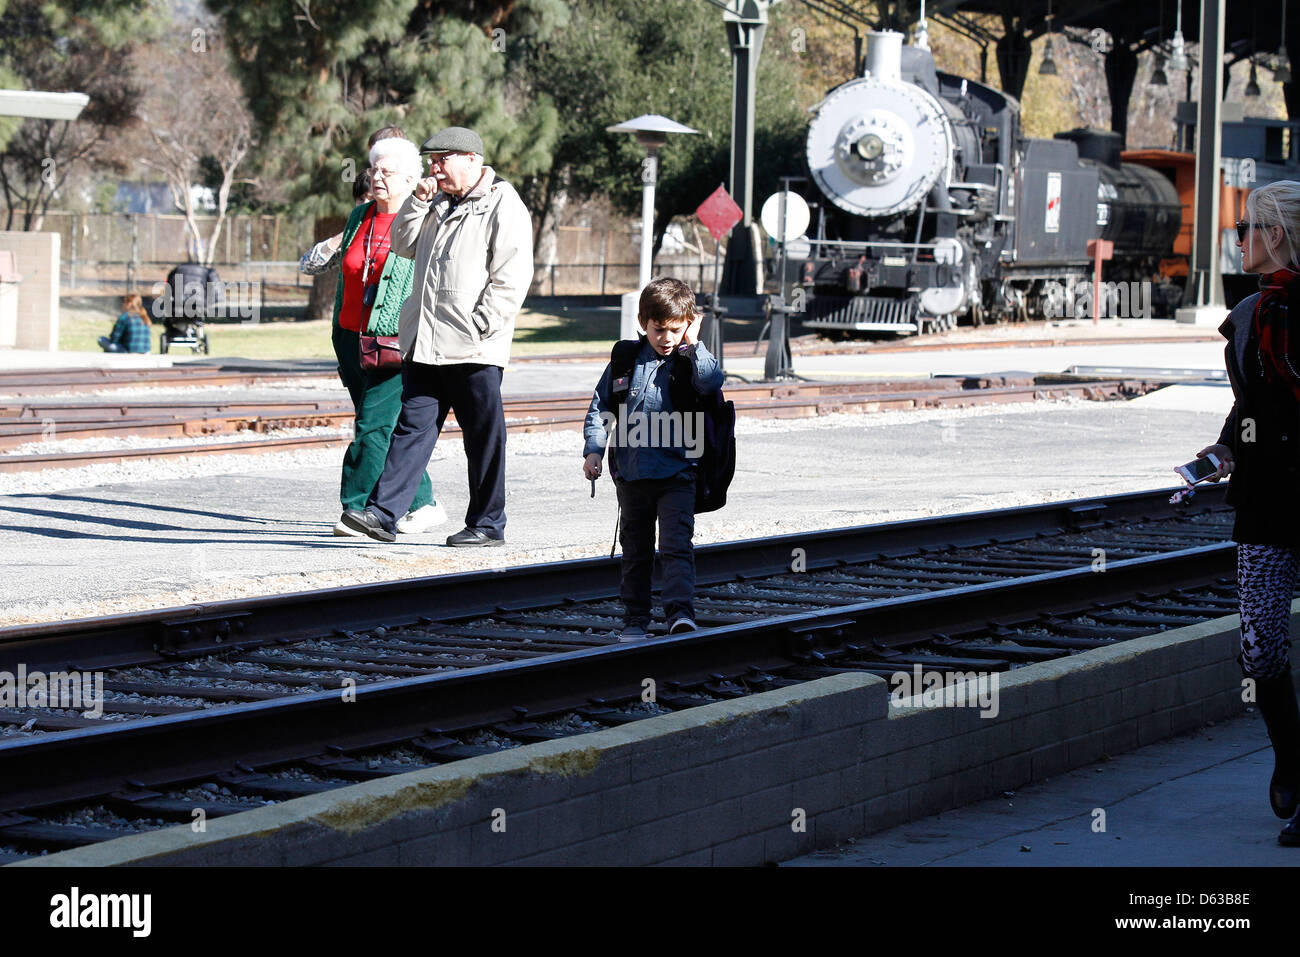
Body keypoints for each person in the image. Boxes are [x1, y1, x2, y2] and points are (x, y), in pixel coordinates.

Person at [341, 126, 534, 546]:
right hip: (425, 343)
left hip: (473, 346)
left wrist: (481, 324)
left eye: (442, 160)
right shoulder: (435, 202)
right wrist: (417, 202)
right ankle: (383, 514)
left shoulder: (503, 203)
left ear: (471, 159)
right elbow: (403, 245)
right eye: (432, 161)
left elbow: (512, 277)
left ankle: (487, 524)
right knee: (411, 429)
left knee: (483, 437)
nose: (435, 168)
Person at [1189, 179, 1300, 846]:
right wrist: (1226, 448)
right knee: (1258, 647)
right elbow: (1252, 400)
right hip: (1263, 500)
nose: (1238, 240)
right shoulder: (1254, 313)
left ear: (1278, 235)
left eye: (1247, 228)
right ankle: (1292, 756)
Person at [303, 135, 445, 537]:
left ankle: (357, 507)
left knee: (371, 427)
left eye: (388, 171)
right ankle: (424, 502)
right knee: (384, 427)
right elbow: (340, 271)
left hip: (394, 341)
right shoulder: (359, 216)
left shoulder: (423, 217)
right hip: (350, 339)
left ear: (410, 178)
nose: (377, 177)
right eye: (375, 170)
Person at [582, 277, 724, 641]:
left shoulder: (691, 359)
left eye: (675, 329)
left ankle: (680, 614)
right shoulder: (626, 358)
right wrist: (594, 450)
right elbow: (602, 407)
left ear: (687, 325)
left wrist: (693, 343)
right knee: (636, 550)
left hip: (678, 472)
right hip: (632, 475)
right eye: (658, 329)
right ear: (643, 323)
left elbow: (711, 382)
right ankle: (635, 619)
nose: (666, 338)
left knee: (676, 547)